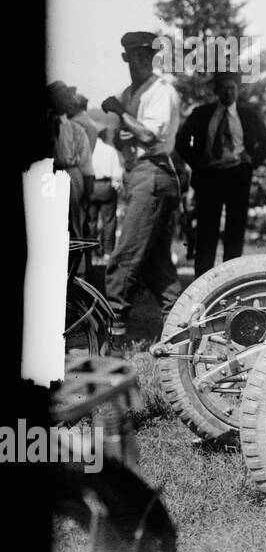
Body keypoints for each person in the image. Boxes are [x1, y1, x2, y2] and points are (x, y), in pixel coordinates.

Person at [100, 31, 183, 354]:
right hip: (141, 175)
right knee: (154, 265)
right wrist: (123, 127)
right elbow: (121, 137)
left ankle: (113, 337)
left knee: (125, 256)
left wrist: (120, 113)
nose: (142, 60)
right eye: (136, 55)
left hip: (154, 173)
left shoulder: (161, 91)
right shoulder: (130, 92)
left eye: (147, 55)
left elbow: (147, 136)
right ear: (127, 58)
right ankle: (180, 329)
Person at [175, 71, 266, 276]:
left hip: (238, 177)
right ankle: (202, 280)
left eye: (232, 88)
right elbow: (181, 141)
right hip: (210, 177)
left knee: (235, 232)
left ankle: (231, 280)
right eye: (224, 88)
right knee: (206, 232)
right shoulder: (203, 113)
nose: (228, 93)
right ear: (216, 90)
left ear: (237, 90)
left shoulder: (248, 115)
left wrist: (252, 160)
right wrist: (197, 162)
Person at [48, 80, 93, 240]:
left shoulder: (76, 130)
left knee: (73, 226)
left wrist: (88, 193)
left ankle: (75, 263)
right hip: (46, 177)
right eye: (65, 97)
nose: (71, 101)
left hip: (70, 177)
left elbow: (86, 164)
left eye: (70, 97)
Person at [88, 111, 125, 260]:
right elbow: (116, 173)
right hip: (106, 186)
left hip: (92, 186)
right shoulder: (110, 151)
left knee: (91, 221)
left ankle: (90, 250)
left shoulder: (89, 150)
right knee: (108, 221)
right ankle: (108, 251)